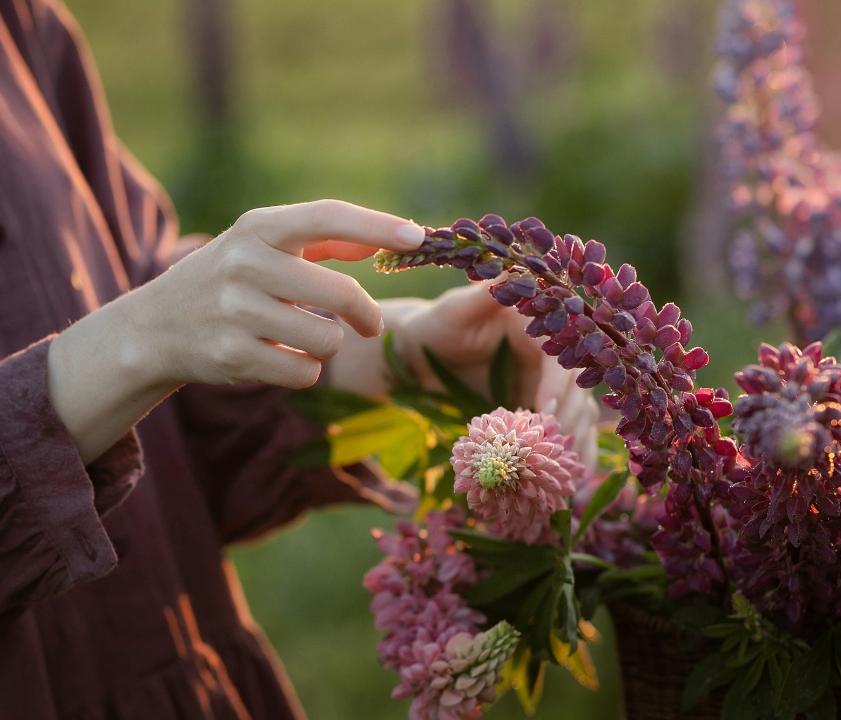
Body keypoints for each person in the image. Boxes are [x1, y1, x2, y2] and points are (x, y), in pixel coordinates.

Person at [0, 0, 598, 717]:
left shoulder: (25, 27)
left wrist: (395, 355)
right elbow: (133, 335)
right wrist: (135, 342)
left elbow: (142, 442)